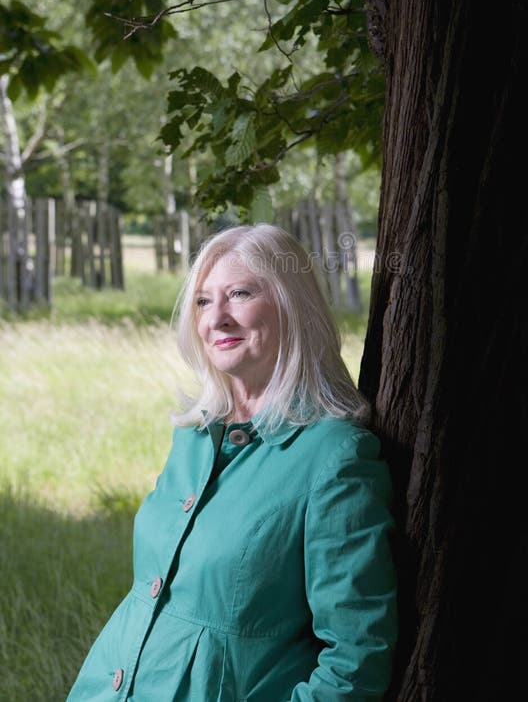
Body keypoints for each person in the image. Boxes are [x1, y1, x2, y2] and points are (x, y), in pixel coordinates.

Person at [67, 224, 397, 701]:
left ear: (291, 306)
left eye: (239, 294)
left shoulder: (335, 458)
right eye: (203, 301)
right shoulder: (195, 436)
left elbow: (356, 661)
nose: (216, 317)